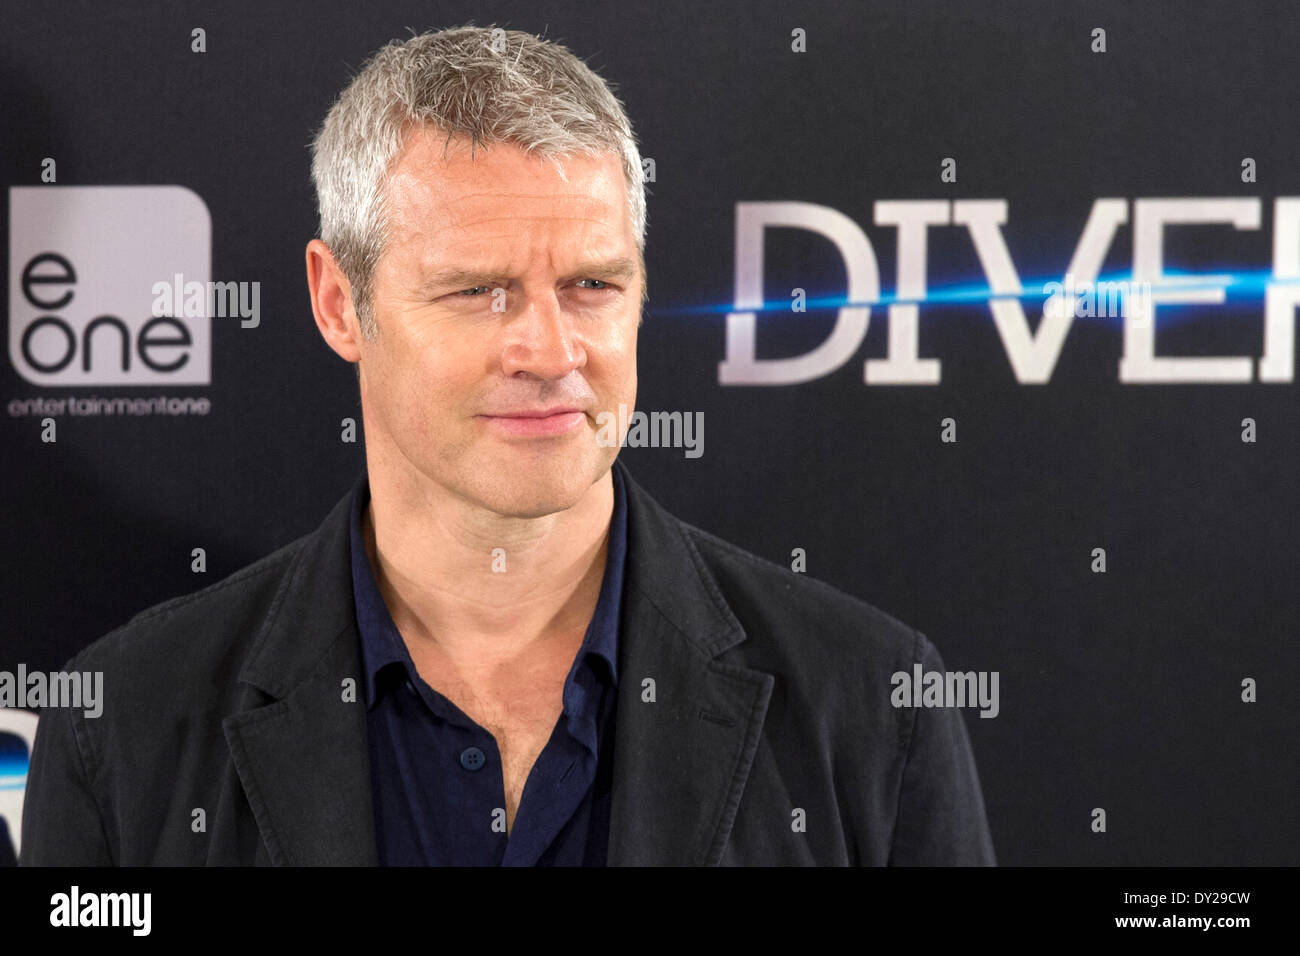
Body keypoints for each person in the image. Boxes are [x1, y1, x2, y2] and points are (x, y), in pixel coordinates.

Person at [20, 25, 995, 866]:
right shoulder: (123, 724)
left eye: (592, 285)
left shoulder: (871, 707)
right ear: (336, 302)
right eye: (476, 290)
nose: (549, 349)